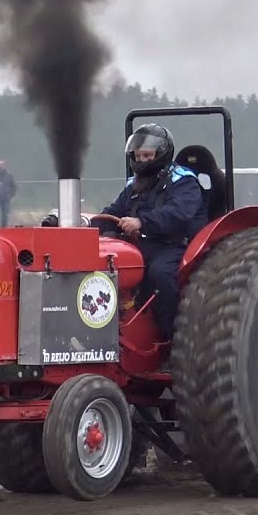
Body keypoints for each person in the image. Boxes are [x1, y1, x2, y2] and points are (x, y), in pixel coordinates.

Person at [95, 123, 207, 347]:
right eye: (137, 155)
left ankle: (173, 341)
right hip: (141, 244)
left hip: (175, 244)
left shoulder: (184, 181)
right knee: (101, 260)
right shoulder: (133, 185)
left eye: (147, 155)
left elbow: (177, 214)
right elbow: (114, 211)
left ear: (162, 154)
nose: (142, 160)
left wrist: (141, 223)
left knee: (160, 273)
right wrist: (88, 223)